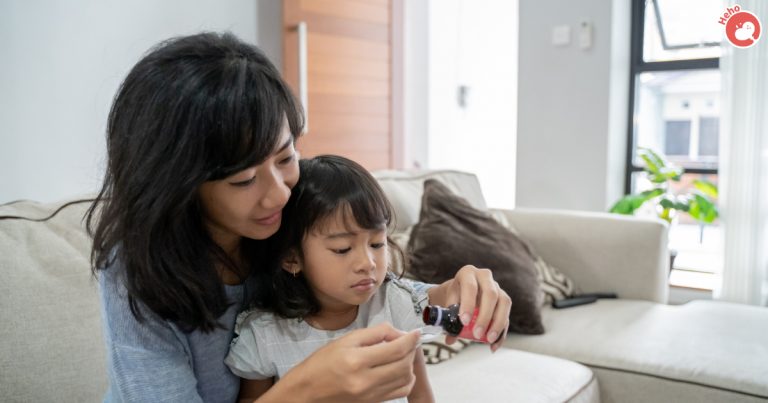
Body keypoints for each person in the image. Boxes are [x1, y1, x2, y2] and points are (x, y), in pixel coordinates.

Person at [87, 31, 512, 403]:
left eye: (286, 157)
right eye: (244, 180)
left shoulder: (290, 209)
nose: (278, 193)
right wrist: (306, 389)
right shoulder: (135, 274)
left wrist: (451, 292)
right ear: (180, 185)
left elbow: (376, 287)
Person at [226, 155, 435, 402]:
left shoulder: (394, 305)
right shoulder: (264, 334)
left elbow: (420, 396)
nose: (367, 263)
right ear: (292, 259)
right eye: (343, 249)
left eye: (377, 243)